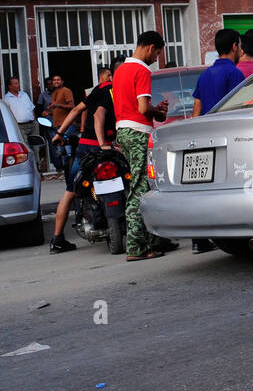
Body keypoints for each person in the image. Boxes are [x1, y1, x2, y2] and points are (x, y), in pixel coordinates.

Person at [113, 32, 171, 261]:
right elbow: (143, 109)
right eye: (157, 53)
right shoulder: (142, 70)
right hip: (139, 132)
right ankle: (136, 247)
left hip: (123, 131)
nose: (156, 58)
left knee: (145, 185)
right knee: (139, 189)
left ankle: (154, 240)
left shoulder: (119, 71)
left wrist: (154, 108)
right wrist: (158, 112)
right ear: (149, 48)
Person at [48, 67, 115, 254]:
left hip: (86, 147)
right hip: (105, 147)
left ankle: (57, 240)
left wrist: (59, 133)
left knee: (70, 192)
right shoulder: (114, 90)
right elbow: (98, 115)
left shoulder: (97, 90)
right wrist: (103, 143)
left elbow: (78, 110)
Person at [192, 29, 246, 117]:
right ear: (234, 46)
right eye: (240, 46)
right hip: (227, 127)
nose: (241, 51)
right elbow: (239, 107)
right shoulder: (234, 73)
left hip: (206, 128)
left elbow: (196, 109)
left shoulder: (204, 75)